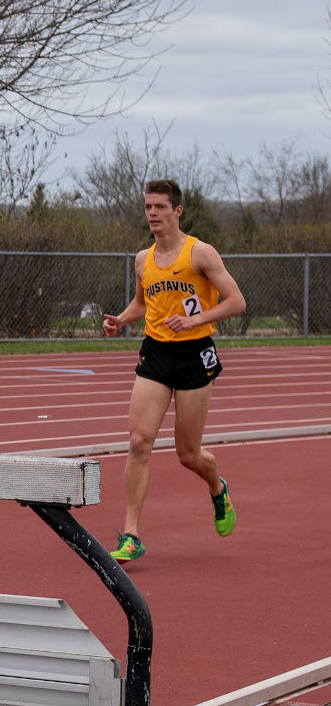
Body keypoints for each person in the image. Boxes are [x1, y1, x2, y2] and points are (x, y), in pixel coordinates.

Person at [100, 179, 246, 563]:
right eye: (148, 207)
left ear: (177, 211)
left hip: (195, 354)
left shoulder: (201, 253)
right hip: (156, 355)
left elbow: (236, 302)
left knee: (188, 453)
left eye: (160, 207)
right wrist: (121, 320)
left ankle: (217, 487)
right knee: (138, 442)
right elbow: (143, 303)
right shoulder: (142, 259)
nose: (153, 213)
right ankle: (131, 535)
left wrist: (196, 321)